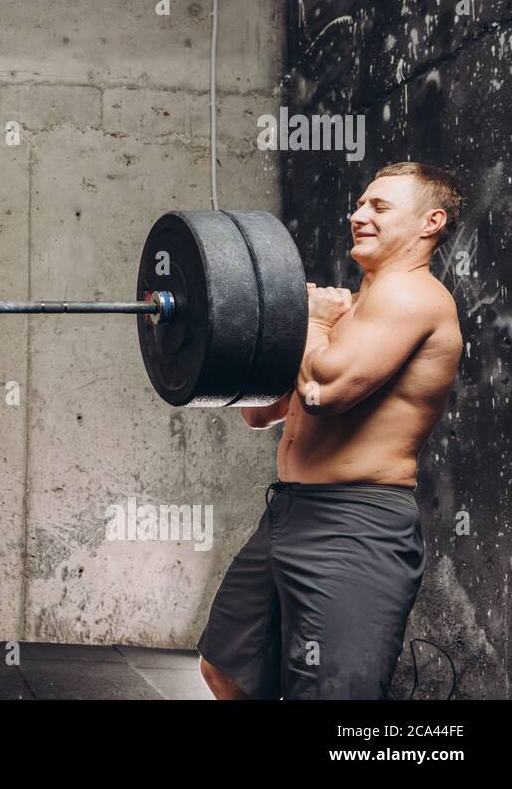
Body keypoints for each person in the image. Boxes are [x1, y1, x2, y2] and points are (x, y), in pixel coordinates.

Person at [198, 161, 463, 699]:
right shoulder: (354, 307)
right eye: (361, 204)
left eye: (379, 208)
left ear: (430, 222)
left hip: (355, 524)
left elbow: (324, 393)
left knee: (334, 694)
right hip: (291, 511)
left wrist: (313, 323)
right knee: (228, 669)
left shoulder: (411, 297)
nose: (358, 215)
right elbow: (261, 412)